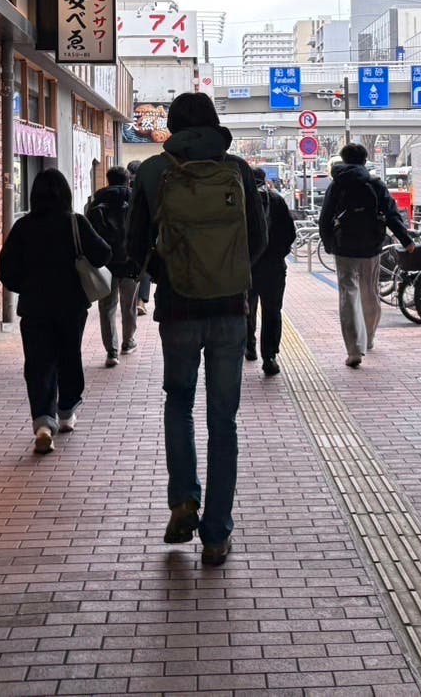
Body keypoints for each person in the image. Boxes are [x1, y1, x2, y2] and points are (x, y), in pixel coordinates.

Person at [127, 93, 265, 565]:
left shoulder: (151, 172)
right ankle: (216, 534)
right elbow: (260, 239)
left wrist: (166, 270)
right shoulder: (239, 170)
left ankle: (184, 498)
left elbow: (134, 246)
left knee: (179, 402)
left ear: (174, 127)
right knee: (223, 421)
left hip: (179, 307)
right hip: (230, 310)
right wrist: (229, 272)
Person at [0, 169, 112, 454]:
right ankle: (66, 412)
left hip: (34, 306)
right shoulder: (75, 222)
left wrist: (24, 285)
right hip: (70, 305)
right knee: (68, 355)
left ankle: (43, 423)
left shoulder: (24, 227)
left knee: (38, 364)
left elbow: (6, 269)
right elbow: (103, 254)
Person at [318, 144, 414, 367]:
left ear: (343, 159)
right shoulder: (375, 184)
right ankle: (369, 338)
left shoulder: (337, 184)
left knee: (347, 293)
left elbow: (325, 218)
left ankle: (354, 350)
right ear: (365, 159)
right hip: (371, 245)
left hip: (343, 247)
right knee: (369, 291)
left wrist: (328, 243)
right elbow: (391, 215)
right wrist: (407, 241)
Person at [248, 166, 297, 377]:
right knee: (272, 311)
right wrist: (278, 254)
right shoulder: (276, 200)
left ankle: (248, 346)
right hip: (273, 267)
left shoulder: (240, 200)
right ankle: (269, 356)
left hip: (246, 266)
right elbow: (290, 233)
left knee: (245, 307)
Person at [87, 166, 136, 365]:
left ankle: (112, 351)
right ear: (127, 181)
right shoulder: (135, 200)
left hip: (105, 264)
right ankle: (128, 341)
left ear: (108, 180)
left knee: (107, 308)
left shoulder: (96, 201)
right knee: (129, 305)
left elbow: (90, 234)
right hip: (130, 261)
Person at [127, 160, 152, 317]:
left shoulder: (128, 187)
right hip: (145, 234)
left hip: (128, 236)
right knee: (145, 268)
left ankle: (132, 302)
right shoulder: (146, 186)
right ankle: (141, 302)